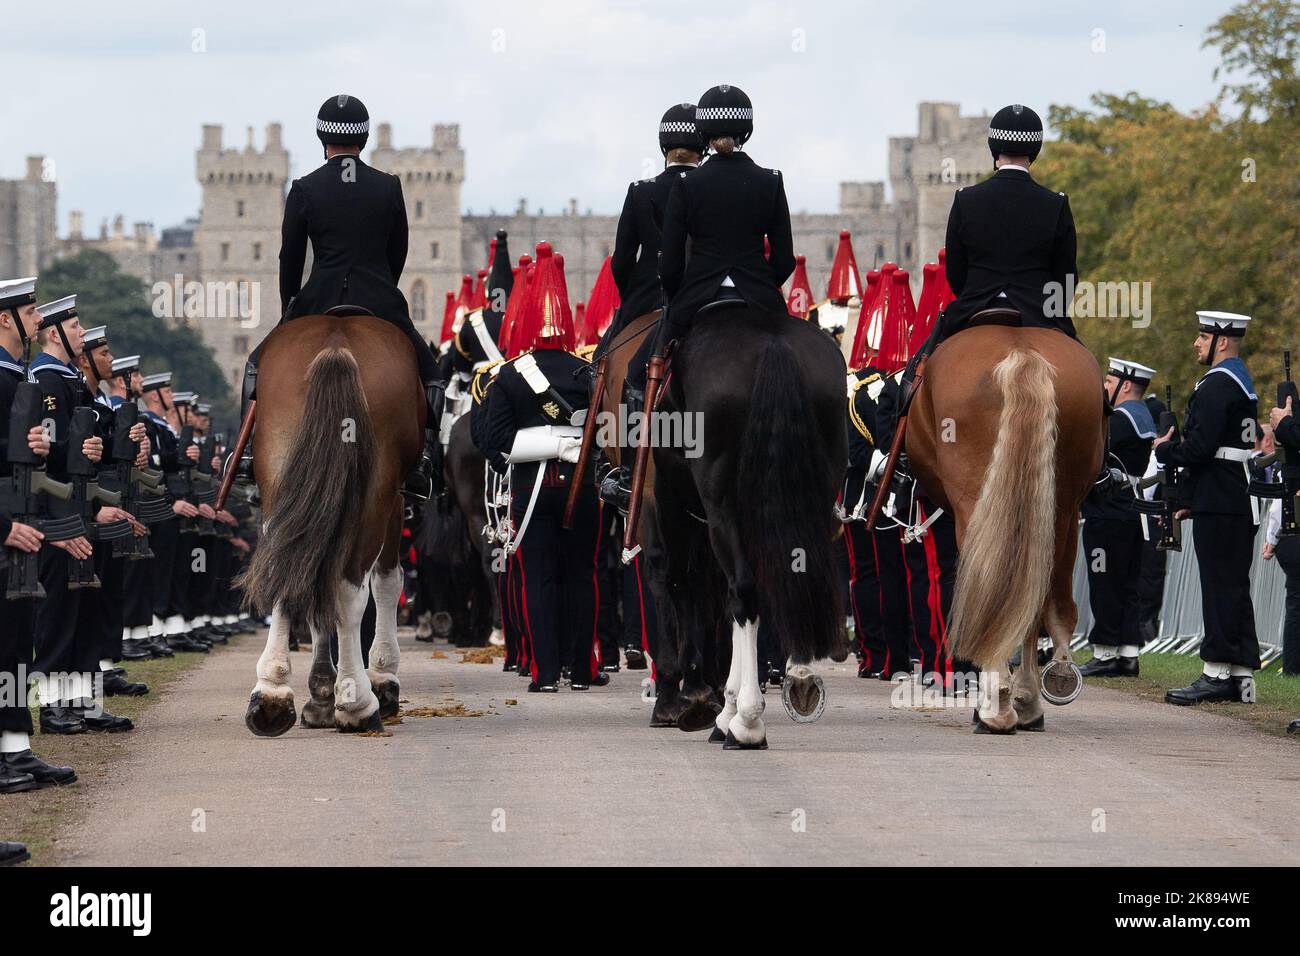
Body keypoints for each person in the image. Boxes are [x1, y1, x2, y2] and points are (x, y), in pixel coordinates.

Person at [239, 94, 439, 497]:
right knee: (431, 372)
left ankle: (245, 456)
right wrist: (383, 289)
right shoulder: (388, 187)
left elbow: (290, 257)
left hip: (317, 297)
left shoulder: (304, 188)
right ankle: (423, 460)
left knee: (256, 366)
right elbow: (397, 251)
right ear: (362, 138)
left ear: (321, 137)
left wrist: (290, 309)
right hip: (379, 298)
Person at [477, 243, 604, 692]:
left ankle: (546, 673)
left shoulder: (510, 376)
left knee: (540, 578)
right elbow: (608, 439)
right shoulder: (588, 372)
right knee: (582, 576)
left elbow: (494, 446)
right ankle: (583, 671)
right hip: (581, 489)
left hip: (532, 492)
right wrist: (567, 444)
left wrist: (537, 446)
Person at [595, 102, 703, 507]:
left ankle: (617, 465)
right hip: (702, 298)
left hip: (647, 298)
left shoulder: (641, 192)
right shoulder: (705, 189)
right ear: (701, 148)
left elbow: (621, 260)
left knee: (603, 365)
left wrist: (635, 299)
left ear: (664, 146)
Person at [1154, 311, 1259, 705]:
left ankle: (1216, 672)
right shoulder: (1239, 380)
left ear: (1223, 341)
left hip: (1222, 497)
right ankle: (1241, 676)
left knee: (1219, 587)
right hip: (1230, 494)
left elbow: (1199, 449)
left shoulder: (1217, 384)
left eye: (1203, 336)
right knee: (1233, 586)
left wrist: (1165, 450)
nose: (1197, 343)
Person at [1079, 358, 1158, 677]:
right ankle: (1127, 652)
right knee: (1127, 583)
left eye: (1109, 383)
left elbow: (1092, 455)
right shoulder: (1141, 416)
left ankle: (1106, 651)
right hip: (1130, 512)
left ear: (1126, 385)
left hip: (1108, 512)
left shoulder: (1119, 420)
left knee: (1105, 582)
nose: (1104, 388)